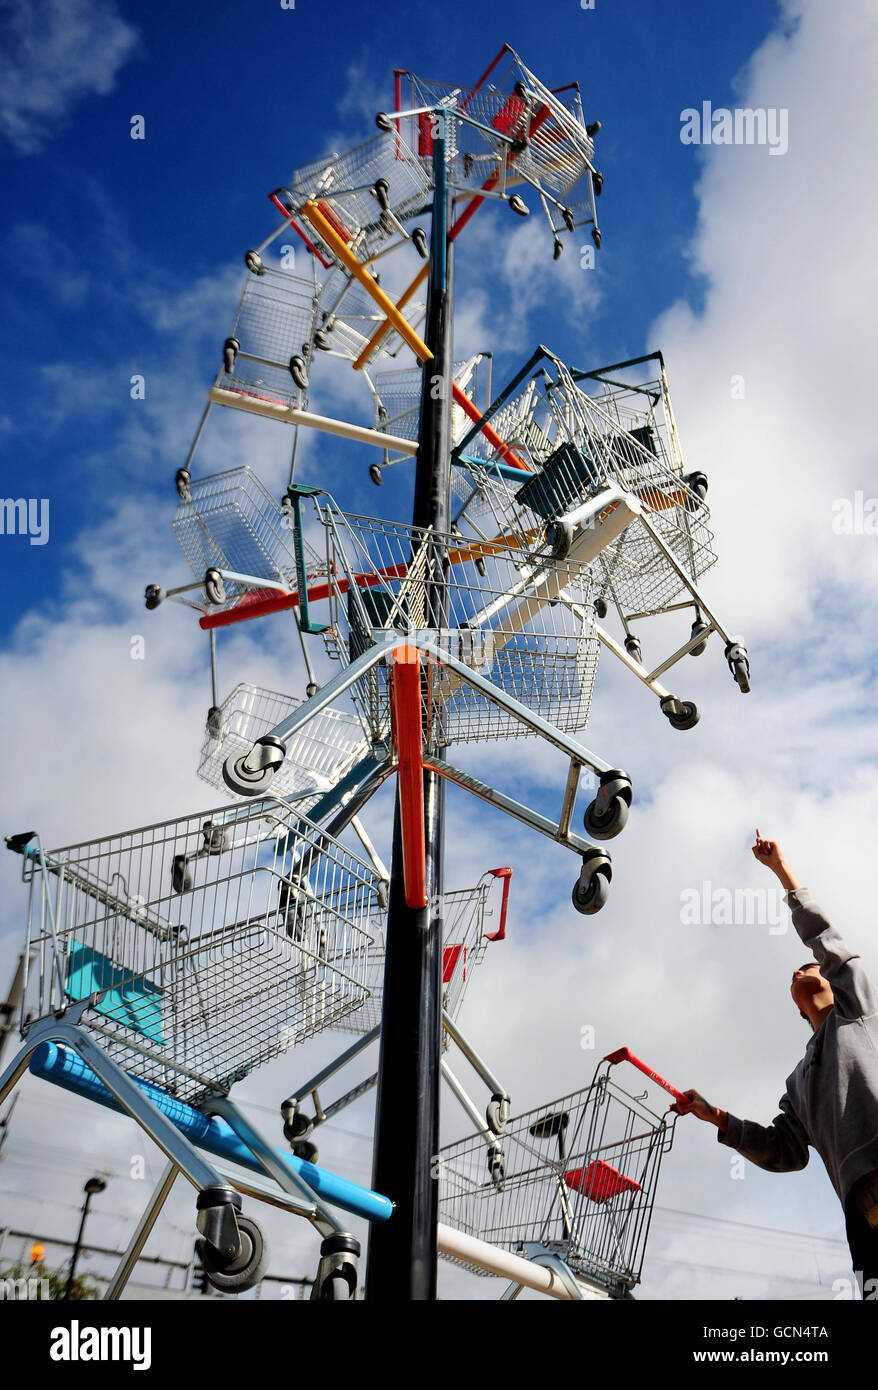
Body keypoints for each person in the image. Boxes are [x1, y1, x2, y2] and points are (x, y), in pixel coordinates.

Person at [674, 831, 878, 1294]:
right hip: (861, 1209)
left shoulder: (860, 1010)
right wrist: (718, 1118)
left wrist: (781, 872)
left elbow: (826, 938)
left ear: (830, 979)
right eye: (797, 972)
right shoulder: (799, 1081)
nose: (799, 970)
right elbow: (784, 1151)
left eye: (808, 967)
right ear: (798, 1008)